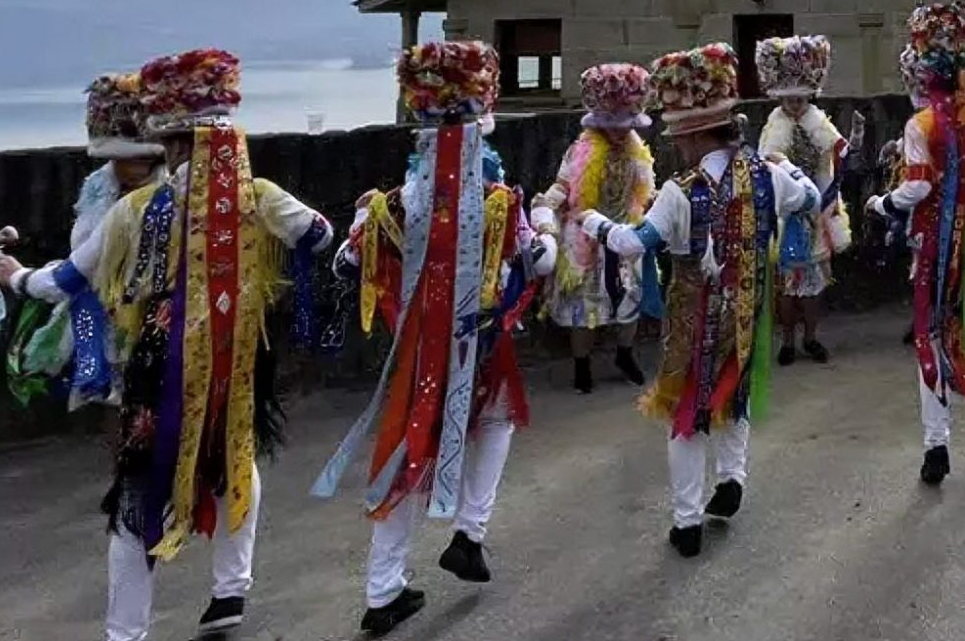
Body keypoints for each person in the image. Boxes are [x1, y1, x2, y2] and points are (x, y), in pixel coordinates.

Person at [0, 49, 334, 641]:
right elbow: (319, 235)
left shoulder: (134, 210)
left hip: (157, 371)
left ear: (172, 146)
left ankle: (126, 632)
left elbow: (65, 281)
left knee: (137, 493)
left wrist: (14, 277)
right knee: (234, 459)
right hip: (235, 360)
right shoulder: (259, 194)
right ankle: (231, 588)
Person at [311, 41, 552, 636]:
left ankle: (384, 589)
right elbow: (539, 262)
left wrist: (363, 221)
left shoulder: (393, 205)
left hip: (418, 353)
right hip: (481, 345)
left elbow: (346, 264)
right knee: (495, 421)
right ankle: (469, 533)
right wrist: (547, 224)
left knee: (407, 454)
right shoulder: (502, 203)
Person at [580, 43, 820, 558]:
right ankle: (732, 478)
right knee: (736, 390)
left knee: (685, 413)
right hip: (748, 308)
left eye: (680, 138)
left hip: (693, 317)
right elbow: (813, 200)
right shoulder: (767, 173)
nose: (679, 148)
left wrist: (591, 221)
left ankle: (687, 521)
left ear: (693, 135)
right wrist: (794, 170)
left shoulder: (681, 190)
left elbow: (633, 243)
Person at [867, 1, 965, 483]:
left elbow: (917, 187)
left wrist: (882, 203)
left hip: (938, 243)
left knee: (932, 332)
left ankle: (936, 444)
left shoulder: (921, 125)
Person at [6, 73, 169, 408]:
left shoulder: (151, 205)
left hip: (153, 329)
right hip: (115, 327)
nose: (127, 169)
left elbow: (71, 278)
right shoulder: (100, 186)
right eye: (120, 160)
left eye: (138, 160)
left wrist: (17, 277)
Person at [533, 63, 658, 394]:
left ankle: (625, 354)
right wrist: (546, 205)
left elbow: (644, 190)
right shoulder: (580, 151)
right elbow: (563, 186)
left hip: (625, 232)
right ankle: (582, 365)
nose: (620, 132)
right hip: (586, 237)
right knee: (584, 307)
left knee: (630, 302)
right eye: (613, 126)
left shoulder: (637, 151)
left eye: (625, 126)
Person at [756, 35, 850, 364]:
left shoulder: (820, 124)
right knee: (786, 285)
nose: (795, 105)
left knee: (815, 285)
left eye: (800, 99)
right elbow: (765, 169)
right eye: (790, 99)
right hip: (786, 215)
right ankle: (787, 341)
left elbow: (836, 157)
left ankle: (810, 337)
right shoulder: (774, 127)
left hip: (818, 212)